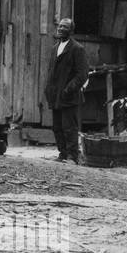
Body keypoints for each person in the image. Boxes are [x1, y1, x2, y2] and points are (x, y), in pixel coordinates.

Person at [45, 17, 90, 163]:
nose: (60, 29)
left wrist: (68, 90)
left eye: (65, 27)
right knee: (57, 127)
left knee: (69, 127)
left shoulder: (77, 49)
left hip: (69, 96)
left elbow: (82, 74)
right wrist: (48, 89)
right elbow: (51, 71)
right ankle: (63, 154)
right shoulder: (55, 48)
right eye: (60, 26)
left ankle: (72, 156)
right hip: (55, 95)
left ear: (71, 31)